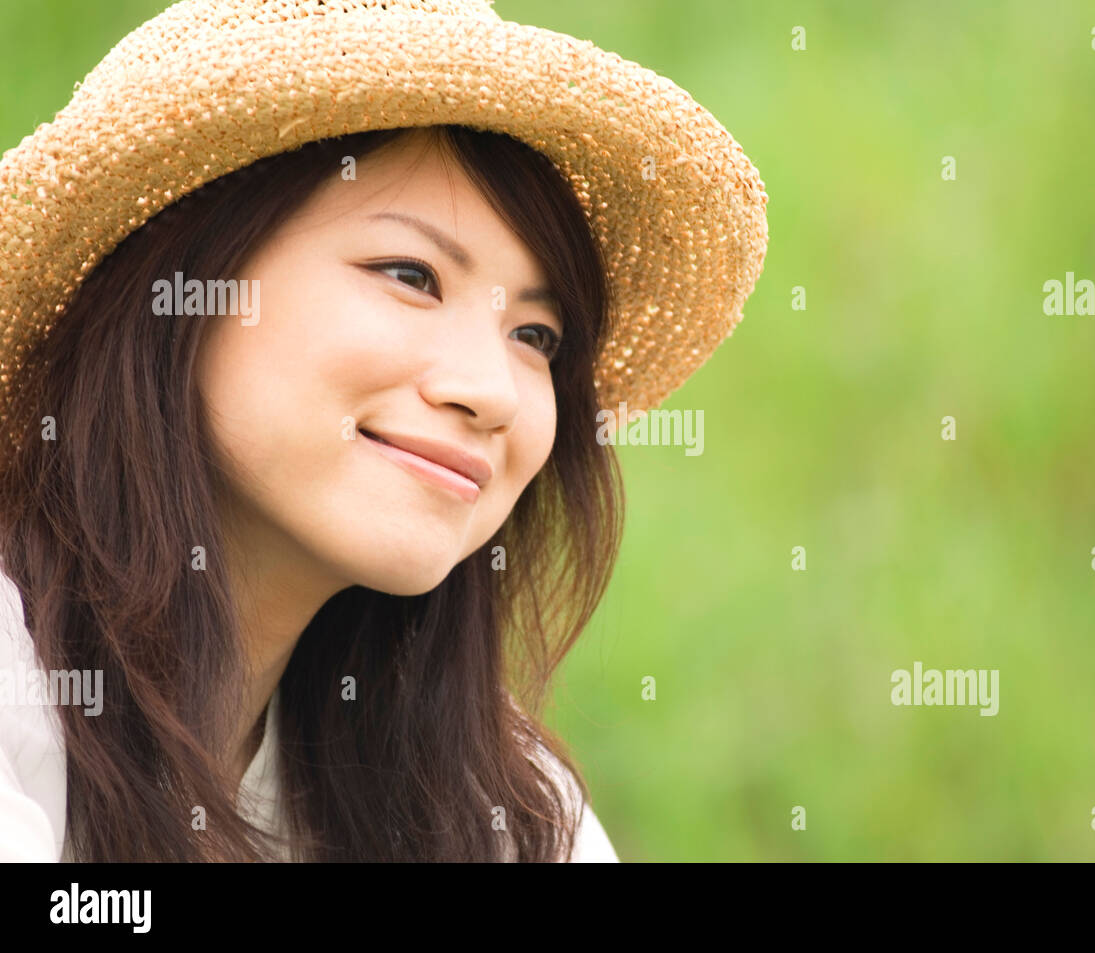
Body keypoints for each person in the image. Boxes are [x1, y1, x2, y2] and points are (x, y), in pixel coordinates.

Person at [0, 0, 767, 862]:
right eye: (412, 274)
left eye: (536, 336)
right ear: (182, 283)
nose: (492, 393)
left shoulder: (504, 810)